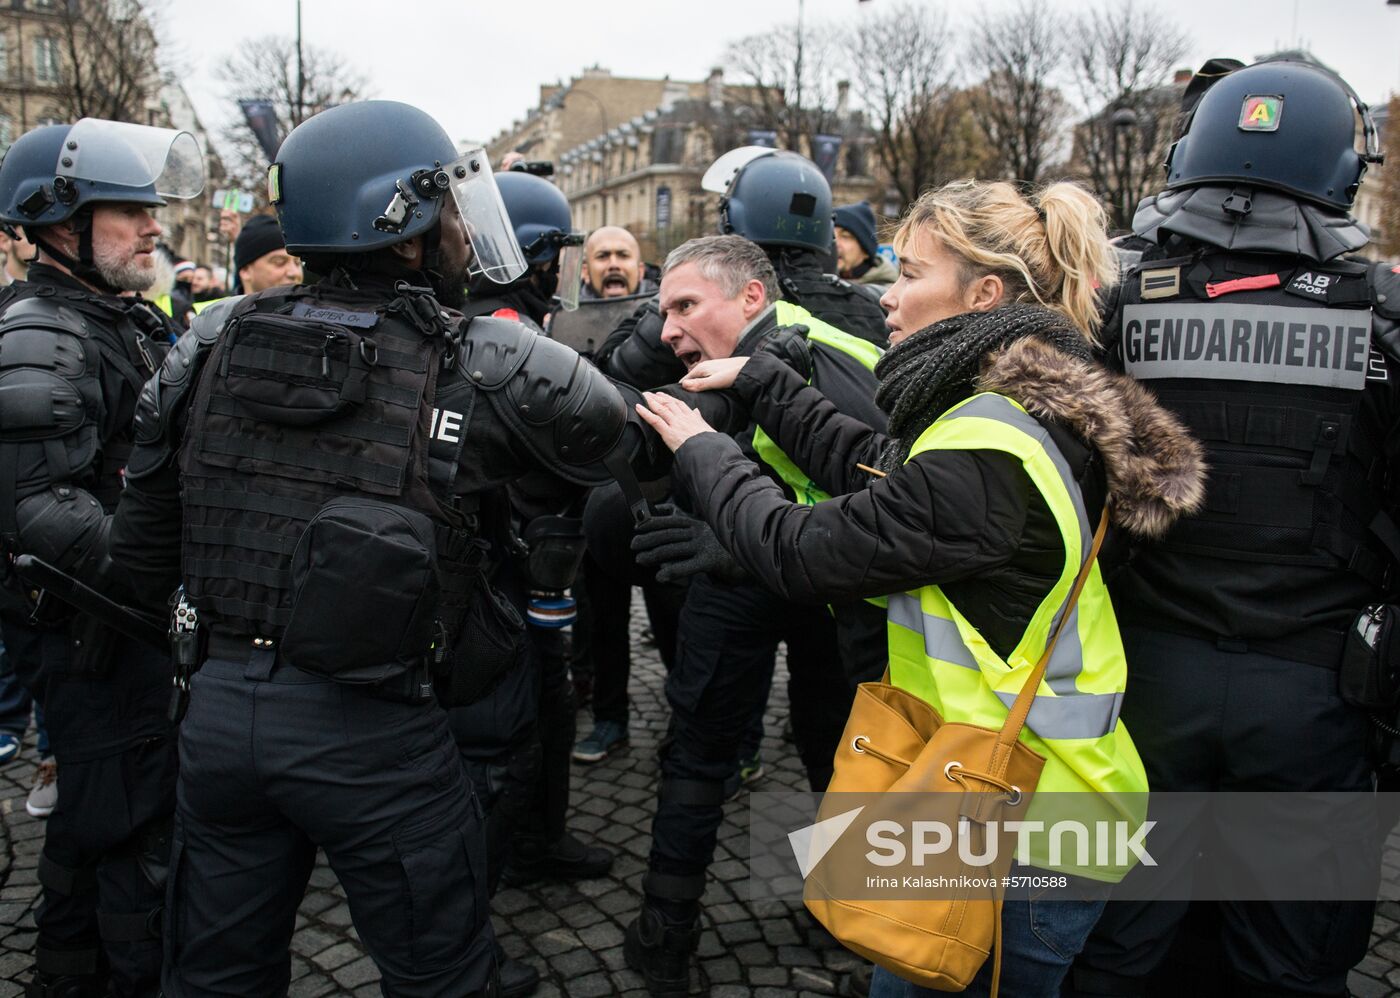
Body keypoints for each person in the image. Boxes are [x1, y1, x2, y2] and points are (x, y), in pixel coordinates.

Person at [107, 99, 649, 998]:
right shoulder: (481, 357)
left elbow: (140, 559)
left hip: (218, 717)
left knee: (214, 975)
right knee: (441, 973)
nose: (462, 237)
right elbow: (623, 452)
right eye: (445, 214)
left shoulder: (204, 342)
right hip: (375, 728)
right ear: (400, 229)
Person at [632, 179, 1206, 998]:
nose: (888, 294)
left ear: (985, 293)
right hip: (998, 790)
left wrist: (701, 449)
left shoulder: (987, 448)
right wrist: (765, 384)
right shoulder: (1017, 407)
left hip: (1020, 822)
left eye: (910, 274)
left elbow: (802, 549)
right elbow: (879, 468)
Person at [1069, 57, 1400, 998]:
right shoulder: (1382, 316)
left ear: (1190, 154)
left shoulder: (1115, 309)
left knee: (1116, 942)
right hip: (1316, 697)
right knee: (1288, 962)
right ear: (1342, 170)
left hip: (1141, 681)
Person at [620, 233, 890, 997]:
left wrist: (737, 544)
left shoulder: (828, 352)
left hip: (811, 582)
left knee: (821, 747)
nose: (669, 328)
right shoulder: (719, 351)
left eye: (685, 306)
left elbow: (875, 492)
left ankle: (829, 913)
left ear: (751, 298)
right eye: (664, 308)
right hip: (754, 576)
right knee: (722, 745)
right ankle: (669, 931)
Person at [0, 118, 201, 997]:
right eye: (127, 210)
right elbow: (41, 510)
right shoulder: (43, 330)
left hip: (121, 634)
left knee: (94, 826)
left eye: (151, 207)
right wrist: (164, 585)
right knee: (134, 837)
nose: (153, 226)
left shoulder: (114, 315)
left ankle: (63, 978)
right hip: (98, 639)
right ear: (58, 223)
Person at [833, 201, 898, 288]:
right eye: (831, 235)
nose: (835, 243)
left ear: (865, 251)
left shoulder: (888, 294)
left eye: (845, 236)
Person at [232, 213, 301, 294]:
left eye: (298, 263)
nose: (294, 273)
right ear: (245, 270)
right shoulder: (218, 306)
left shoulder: (313, 305)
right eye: (279, 262)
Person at [581, 225, 654, 299]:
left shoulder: (661, 307)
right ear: (586, 273)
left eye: (623, 255)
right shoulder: (571, 309)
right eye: (602, 256)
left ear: (640, 271)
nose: (614, 264)